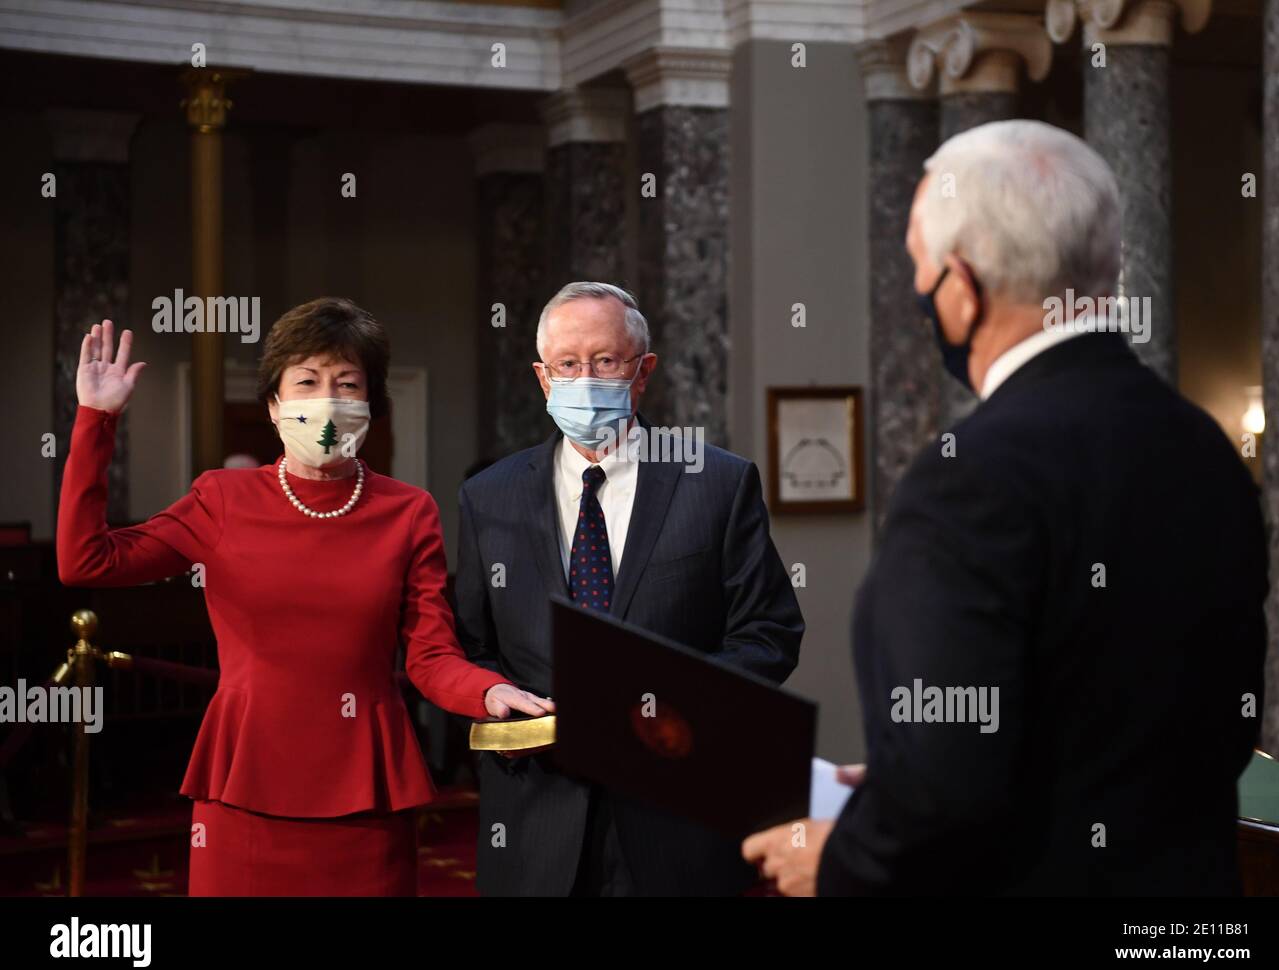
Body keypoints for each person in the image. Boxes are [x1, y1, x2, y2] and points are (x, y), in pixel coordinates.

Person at [743, 120, 1268, 895]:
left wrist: (844, 854)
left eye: (921, 271)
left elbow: (943, 793)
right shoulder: (1205, 447)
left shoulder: (971, 480)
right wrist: (898, 779)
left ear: (961, 287)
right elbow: (1199, 728)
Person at [57, 300, 551, 896]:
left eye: (347, 384)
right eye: (308, 382)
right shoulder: (222, 498)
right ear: (273, 404)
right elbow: (86, 559)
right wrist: (94, 421)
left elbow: (429, 656)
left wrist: (487, 689)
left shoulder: (409, 510)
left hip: (365, 793)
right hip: (246, 785)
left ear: (370, 405)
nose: (328, 401)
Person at [456, 281, 804, 896]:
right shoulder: (490, 497)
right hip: (537, 819)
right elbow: (471, 647)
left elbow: (769, 633)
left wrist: (669, 705)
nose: (584, 378)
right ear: (543, 378)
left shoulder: (717, 483)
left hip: (678, 821)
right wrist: (500, 705)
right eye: (567, 364)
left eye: (605, 361)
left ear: (642, 373)